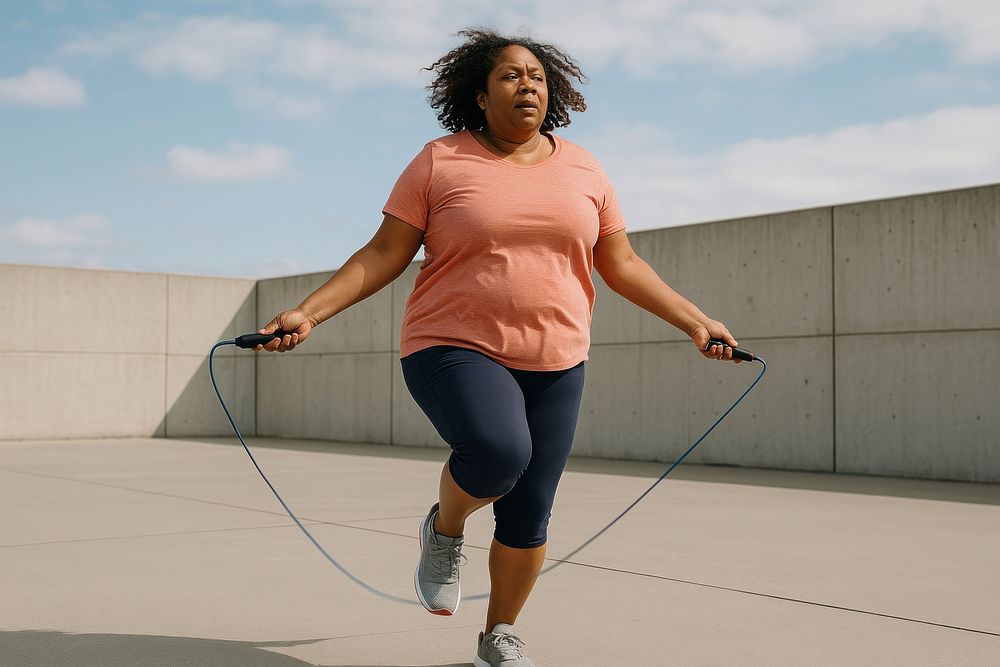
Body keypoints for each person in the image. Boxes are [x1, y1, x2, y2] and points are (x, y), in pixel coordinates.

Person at [254, 28, 741, 667]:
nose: (527, 86)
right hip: (452, 344)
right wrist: (309, 312)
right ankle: (446, 528)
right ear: (480, 97)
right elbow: (384, 253)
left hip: (557, 357)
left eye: (537, 77)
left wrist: (696, 321)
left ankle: (498, 636)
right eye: (510, 76)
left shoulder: (585, 168)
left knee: (529, 511)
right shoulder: (440, 161)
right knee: (497, 453)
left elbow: (621, 263)